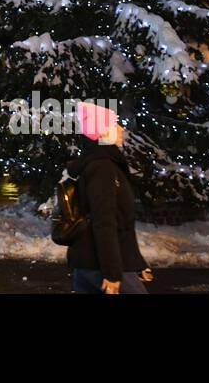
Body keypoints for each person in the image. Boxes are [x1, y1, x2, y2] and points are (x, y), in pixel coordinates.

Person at [66, 102, 150, 294]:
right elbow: (104, 221)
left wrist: (137, 263)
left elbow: (122, 224)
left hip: (92, 262)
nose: (121, 129)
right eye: (114, 125)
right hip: (99, 264)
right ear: (102, 133)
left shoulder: (107, 165)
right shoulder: (102, 167)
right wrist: (112, 273)